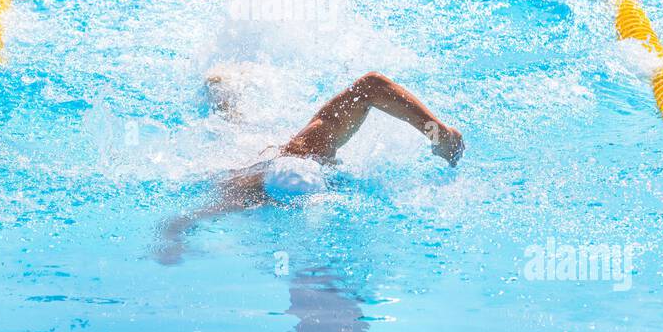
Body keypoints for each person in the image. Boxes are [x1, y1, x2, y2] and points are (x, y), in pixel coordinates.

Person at [156, 71, 463, 264]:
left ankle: (225, 94)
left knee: (242, 130)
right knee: (235, 134)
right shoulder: (245, 192)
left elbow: (371, 85)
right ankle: (224, 94)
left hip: (287, 155)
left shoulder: (313, 150)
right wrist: (173, 239)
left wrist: (438, 132)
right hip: (260, 166)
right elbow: (183, 220)